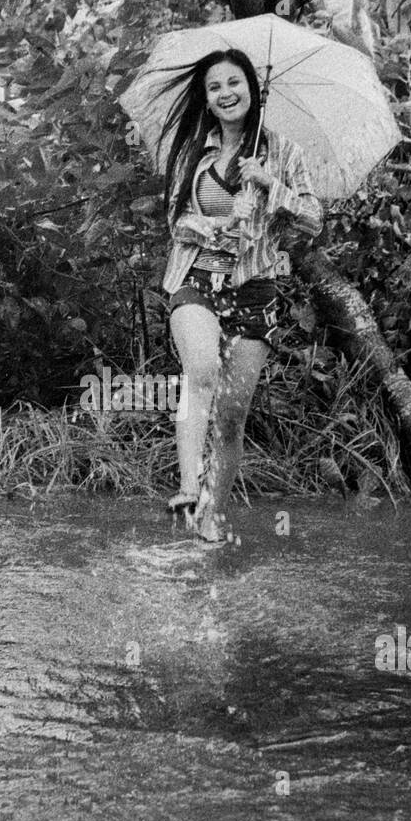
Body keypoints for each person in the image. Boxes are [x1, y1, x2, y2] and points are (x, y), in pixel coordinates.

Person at [158, 48, 323, 542]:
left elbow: (313, 220)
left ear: (252, 89)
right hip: (197, 280)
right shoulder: (194, 152)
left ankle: (211, 514)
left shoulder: (283, 152)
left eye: (234, 83)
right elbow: (176, 220)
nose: (226, 93)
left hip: (255, 290)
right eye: (215, 87)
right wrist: (215, 225)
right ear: (207, 101)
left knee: (231, 418)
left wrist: (271, 185)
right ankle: (189, 487)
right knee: (202, 368)